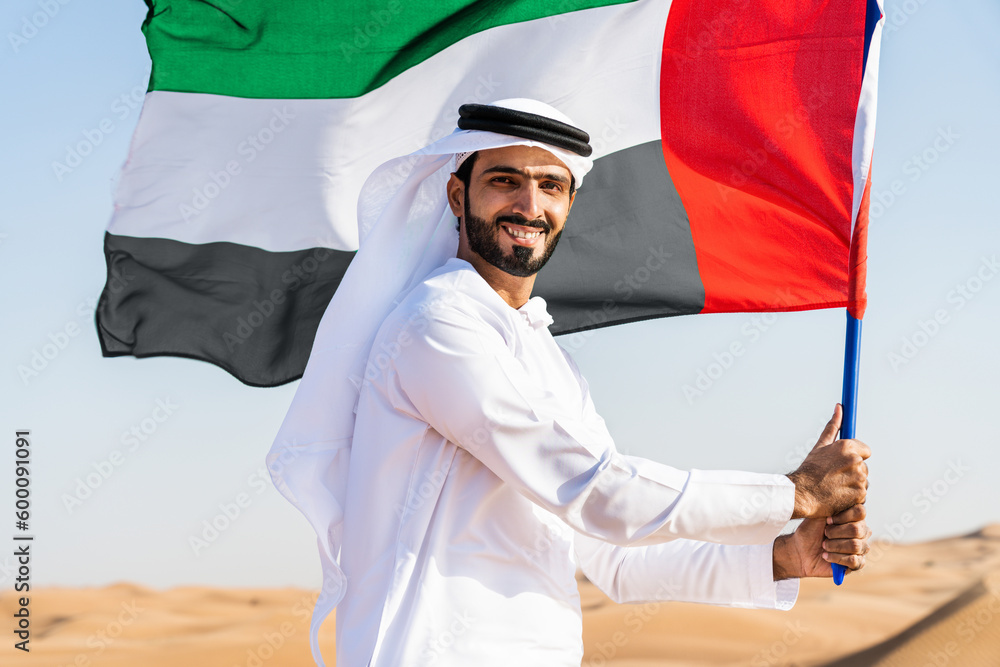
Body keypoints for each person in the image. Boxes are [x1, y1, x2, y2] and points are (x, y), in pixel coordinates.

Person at [267, 99, 871, 667]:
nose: (529, 206)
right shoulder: (435, 326)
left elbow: (612, 556)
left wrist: (786, 556)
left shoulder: (547, 358)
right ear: (457, 195)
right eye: (505, 179)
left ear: (568, 206)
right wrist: (793, 493)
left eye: (551, 186)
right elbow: (599, 493)